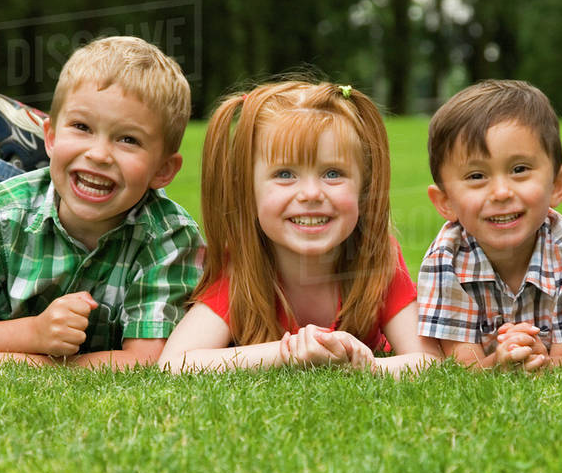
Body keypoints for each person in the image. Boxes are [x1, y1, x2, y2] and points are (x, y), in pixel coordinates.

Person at [0, 36, 203, 368]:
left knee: (59, 179)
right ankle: (22, 160)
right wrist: (34, 334)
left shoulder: (170, 237)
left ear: (163, 170)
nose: (99, 154)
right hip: (27, 202)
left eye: (128, 139)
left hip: (53, 187)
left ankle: (28, 154)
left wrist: (38, 366)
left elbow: (146, 360)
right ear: (52, 136)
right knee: (18, 202)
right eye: (82, 127)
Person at [157, 81, 439, 374]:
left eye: (333, 173)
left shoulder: (377, 258)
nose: (311, 194)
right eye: (285, 174)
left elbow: (430, 362)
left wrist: (367, 367)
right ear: (247, 191)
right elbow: (175, 364)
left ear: (363, 187)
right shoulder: (242, 268)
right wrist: (288, 352)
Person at [416, 79, 562, 371]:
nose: (501, 193)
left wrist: (540, 358)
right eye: (476, 176)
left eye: (519, 170)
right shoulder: (444, 261)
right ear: (445, 201)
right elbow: (464, 367)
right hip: (499, 342)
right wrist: (500, 361)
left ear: (557, 185)